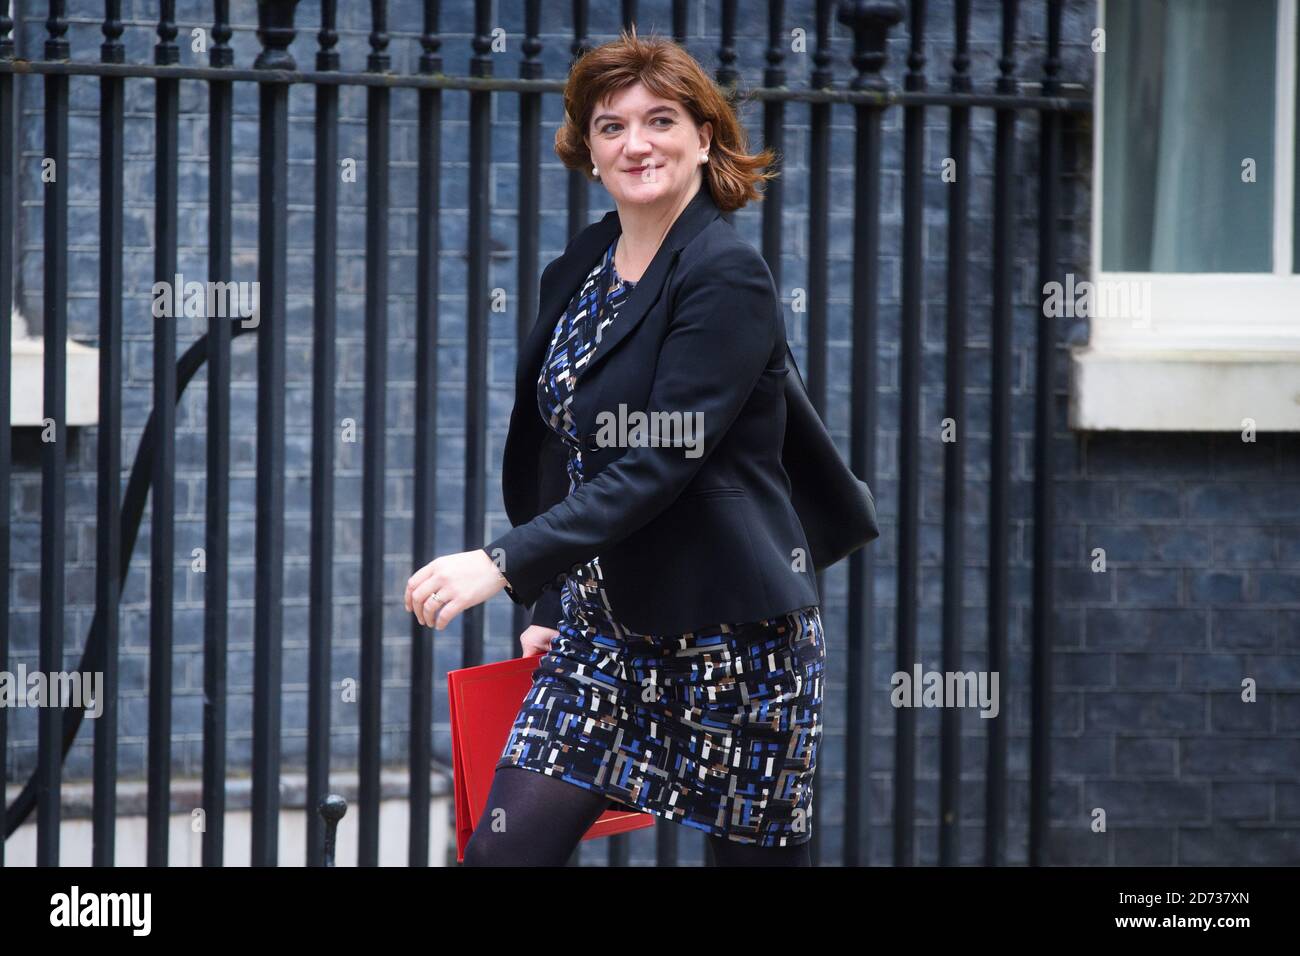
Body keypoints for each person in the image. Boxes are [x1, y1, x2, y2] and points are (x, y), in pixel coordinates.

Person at [404, 29, 864, 866]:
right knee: (502, 853)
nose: (636, 142)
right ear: (588, 148)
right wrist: (551, 602)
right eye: (611, 126)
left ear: (705, 138)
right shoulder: (580, 265)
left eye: (660, 120)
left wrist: (503, 562)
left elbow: (660, 459)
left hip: (735, 639)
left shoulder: (724, 274)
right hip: (603, 636)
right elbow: (565, 451)